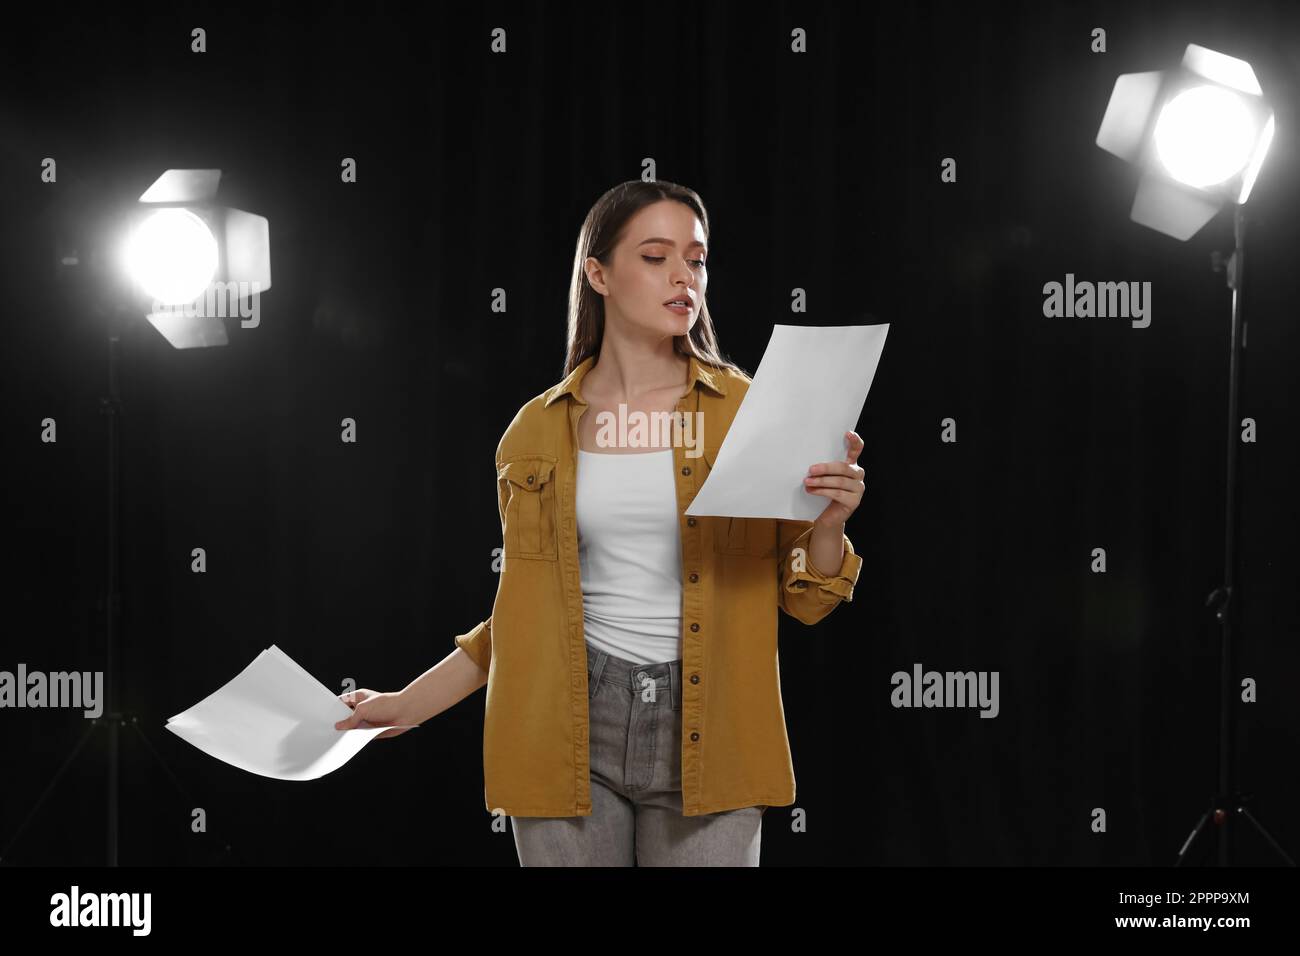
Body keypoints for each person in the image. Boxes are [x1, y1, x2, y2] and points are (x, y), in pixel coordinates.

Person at [335, 180, 866, 866]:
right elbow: (526, 612)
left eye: (697, 259)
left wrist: (829, 524)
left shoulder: (749, 411)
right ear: (598, 273)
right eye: (656, 256)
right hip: (564, 723)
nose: (684, 276)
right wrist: (407, 704)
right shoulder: (534, 431)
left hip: (717, 730)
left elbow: (807, 599)